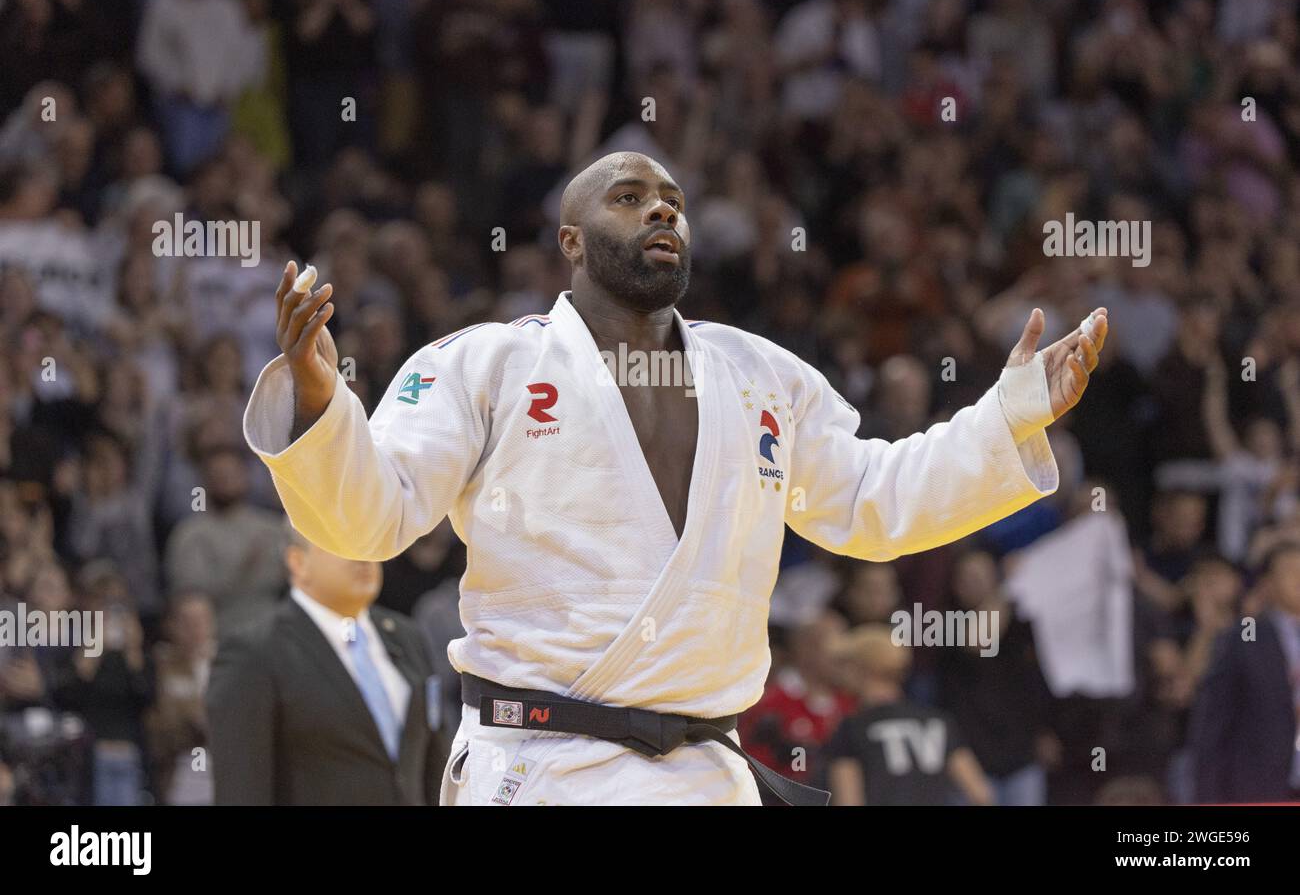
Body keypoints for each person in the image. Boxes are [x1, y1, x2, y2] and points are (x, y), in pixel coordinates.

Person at [243, 151, 1108, 806]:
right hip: (540, 766)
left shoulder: (759, 374)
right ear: (571, 241)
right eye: (630, 197)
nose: (661, 207)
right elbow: (367, 521)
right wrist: (322, 401)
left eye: (674, 203)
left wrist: (1011, 416)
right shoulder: (487, 364)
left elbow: (873, 502)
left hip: (702, 774)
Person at [206, 523, 445, 805]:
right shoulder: (253, 653)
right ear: (298, 562)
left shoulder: (407, 637)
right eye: (342, 540)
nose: (363, 554)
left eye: (370, 538)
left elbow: (433, 764)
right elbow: (241, 790)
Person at [825, 625, 993, 805]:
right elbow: (980, 794)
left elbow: (848, 801)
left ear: (863, 669)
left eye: (845, 665)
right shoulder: (937, 721)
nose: (839, 673)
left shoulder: (852, 729)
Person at [1188, 541, 1300, 802]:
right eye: (1291, 571)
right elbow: (1212, 725)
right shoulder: (1243, 639)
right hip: (1262, 787)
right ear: (1267, 583)